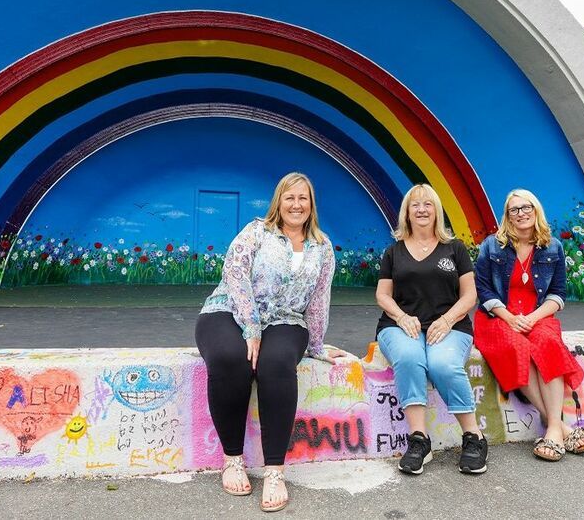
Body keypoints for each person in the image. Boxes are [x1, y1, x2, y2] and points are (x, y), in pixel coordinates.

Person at [196, 172, 349, 512]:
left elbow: (319, 299)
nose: (296, 205)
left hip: (286, 320)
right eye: (289, 197)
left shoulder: (322, 248)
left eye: (303, 198)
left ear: (311, 205)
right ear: (278, 201)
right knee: (229, 358)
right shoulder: (256, 232)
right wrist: (250, 327)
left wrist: (317, 345)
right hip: (230, 311)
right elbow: (234, 273)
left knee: (276, 363)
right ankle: (232, 459)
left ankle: (275, 471)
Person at [473, 189, 584, 461]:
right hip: (498, 317)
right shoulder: (492, 246)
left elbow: (558, 293)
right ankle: (561, 427)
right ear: (507, 216)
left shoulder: (553, 247)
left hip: (538, 315)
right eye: (514, 209)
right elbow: (482, 289)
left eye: (526, 207)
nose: (521, 213)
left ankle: (553, 427)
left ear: (536, 209)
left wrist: (534, 317)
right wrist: (509, 317)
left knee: (547, 343)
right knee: (517, 346)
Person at [374, 184, 488, 475]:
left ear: (437, 210)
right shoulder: (394, 251)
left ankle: (474, 437)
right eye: (415, 205)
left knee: (442, 364)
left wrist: (447, 320)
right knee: (411, 358)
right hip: (401, 325)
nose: (422, 209)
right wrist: (401, 317)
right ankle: (419, 441)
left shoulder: (455, 249)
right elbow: (383, 295)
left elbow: (470, 296)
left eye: (428, 204)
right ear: (407, 213)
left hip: (449, 324)